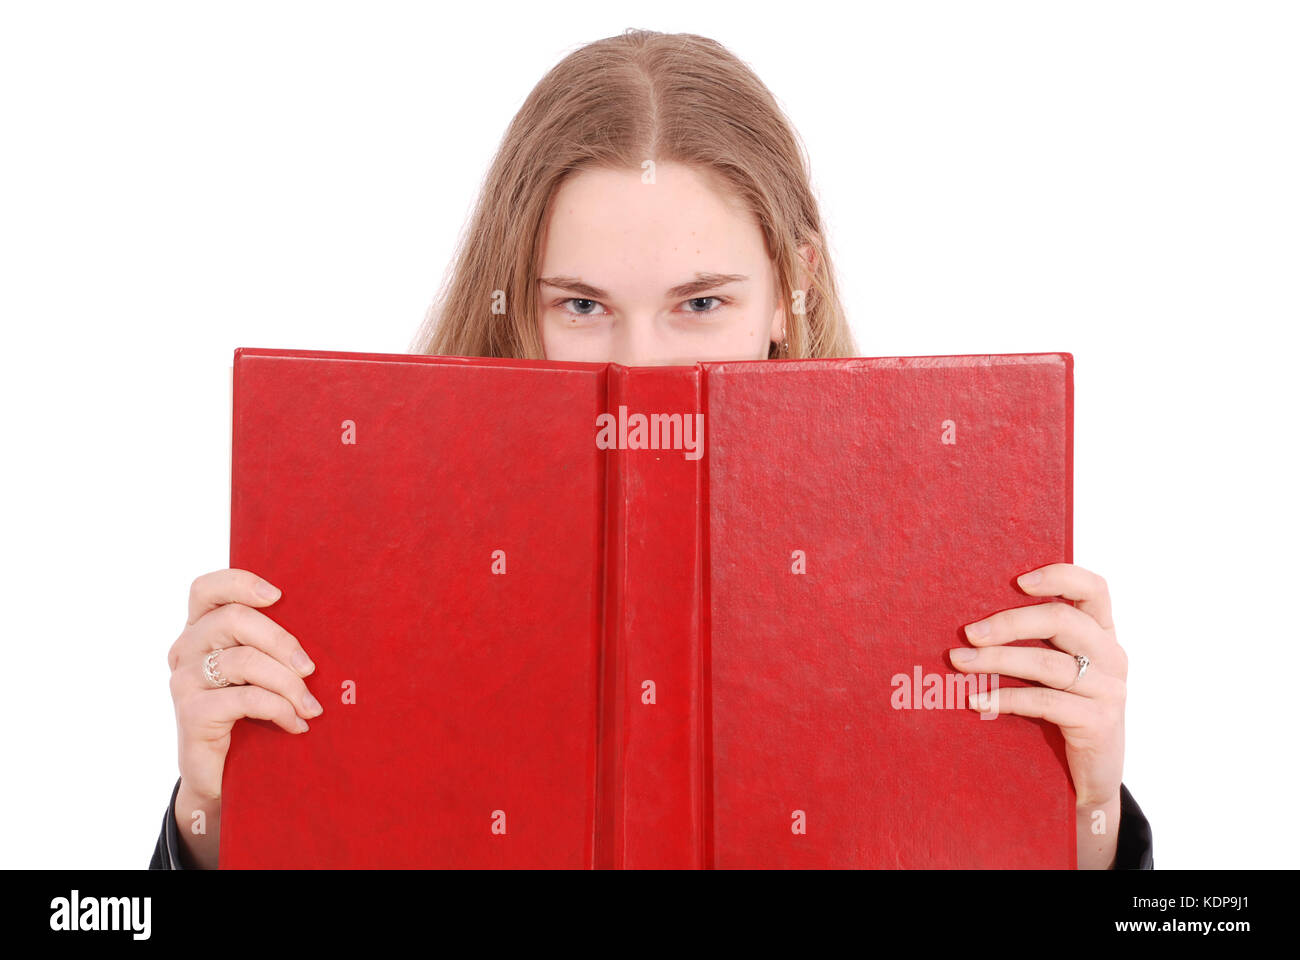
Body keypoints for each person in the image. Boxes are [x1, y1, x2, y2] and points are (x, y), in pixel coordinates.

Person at [152, 28, 1153, 870]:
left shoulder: (946, 566)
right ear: (515, 299)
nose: (637, 368)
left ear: (790, 287)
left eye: (701, 303)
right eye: (582, 306)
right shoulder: (366, 557)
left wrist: (1087, 822)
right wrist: (213, 819)